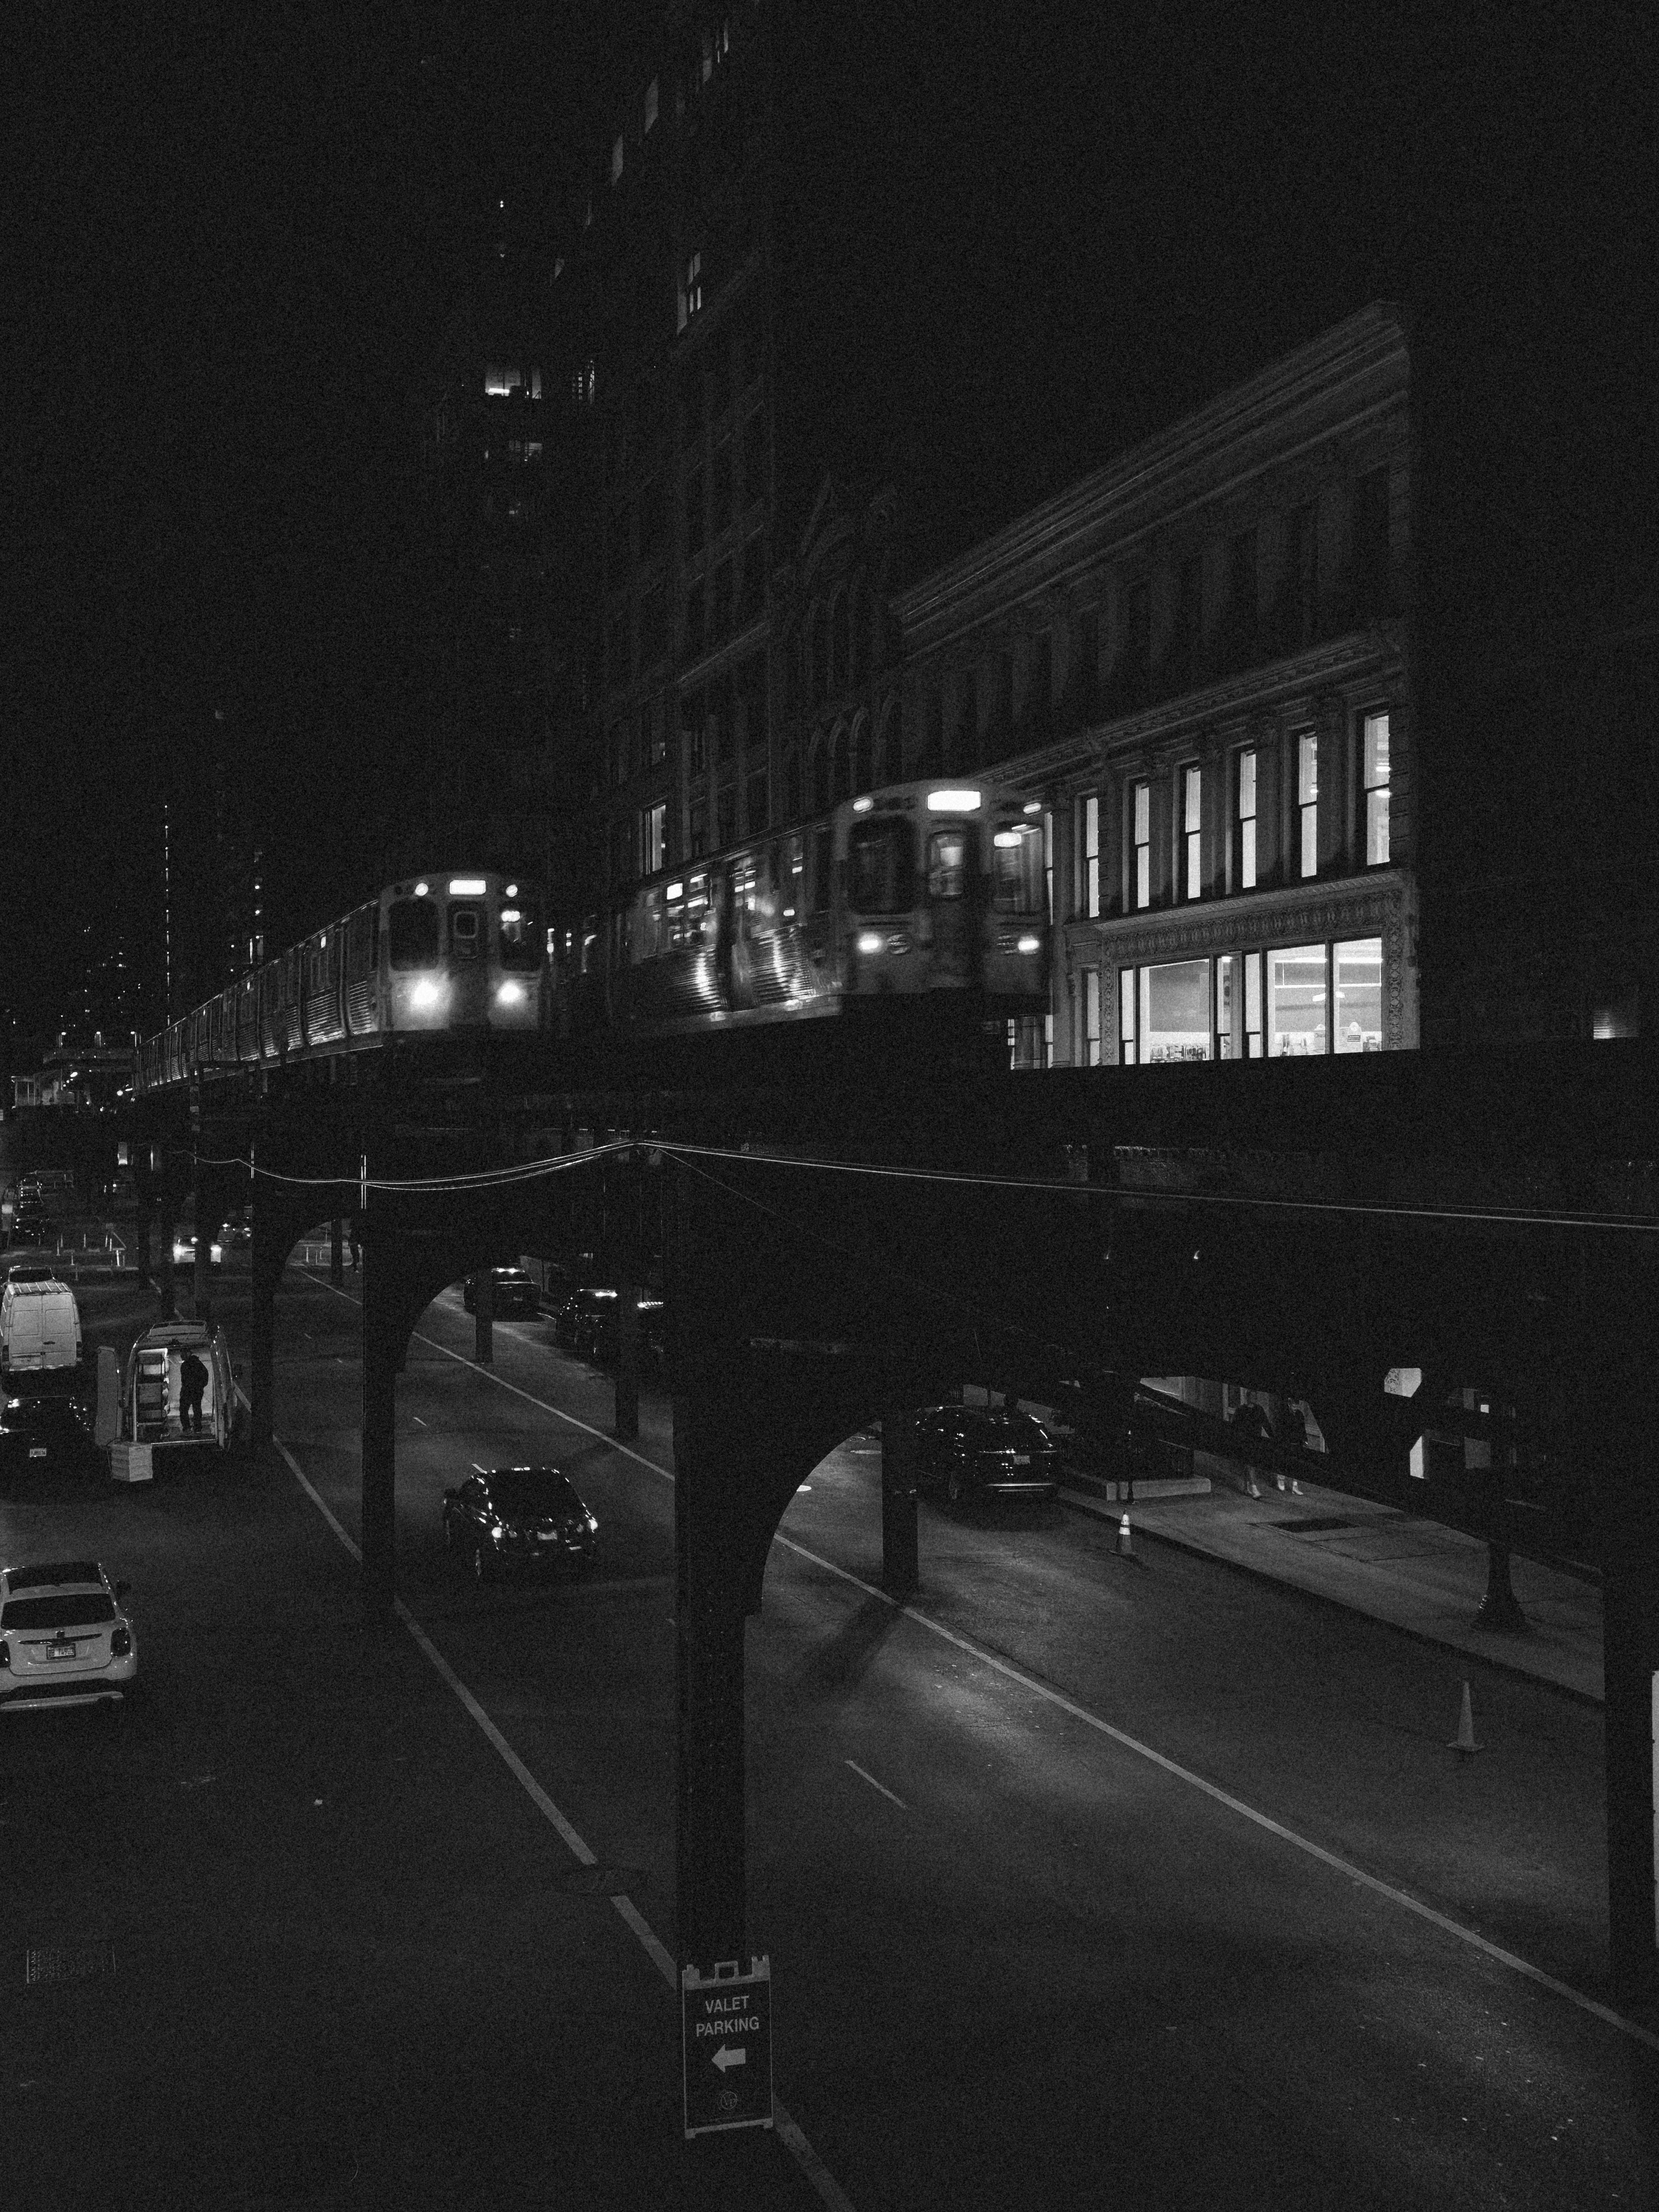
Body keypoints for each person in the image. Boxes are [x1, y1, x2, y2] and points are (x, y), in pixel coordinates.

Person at [178, 1348, 209, 1435]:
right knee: (197, 1409)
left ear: (188, 1354)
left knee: (184, 1410)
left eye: (183, 1353)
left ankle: (188, 1428)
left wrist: (197, 1387)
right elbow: (205, 1377)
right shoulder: (198, 1364)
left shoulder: (186, 1366)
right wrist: (200, 1387)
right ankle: (197, 1428)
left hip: (189, 1392)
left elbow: (185, 1381)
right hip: (195, 1392)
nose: (181, 1356)